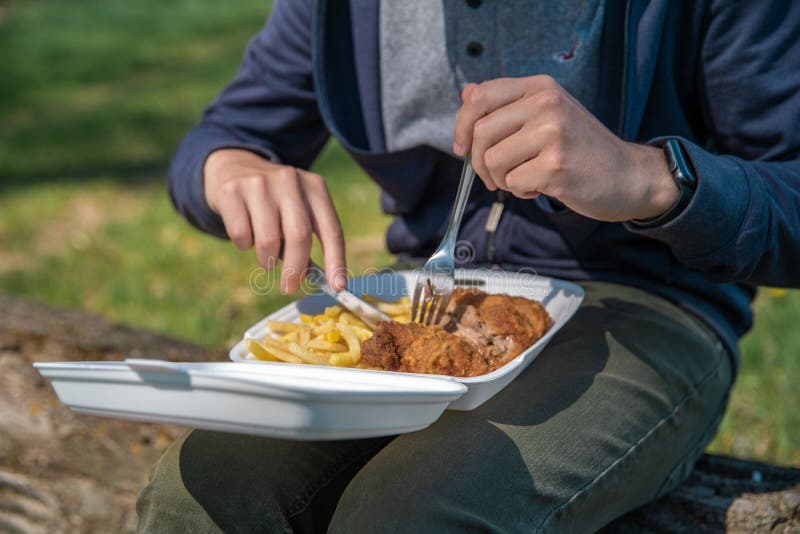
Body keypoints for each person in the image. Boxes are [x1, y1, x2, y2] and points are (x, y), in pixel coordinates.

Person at [137, 0, 800, 531]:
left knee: (414, 511)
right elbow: (226, 135)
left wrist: (651, 178)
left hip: (646, 308)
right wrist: (228, 167)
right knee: (197, 490)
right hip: (415, 299)